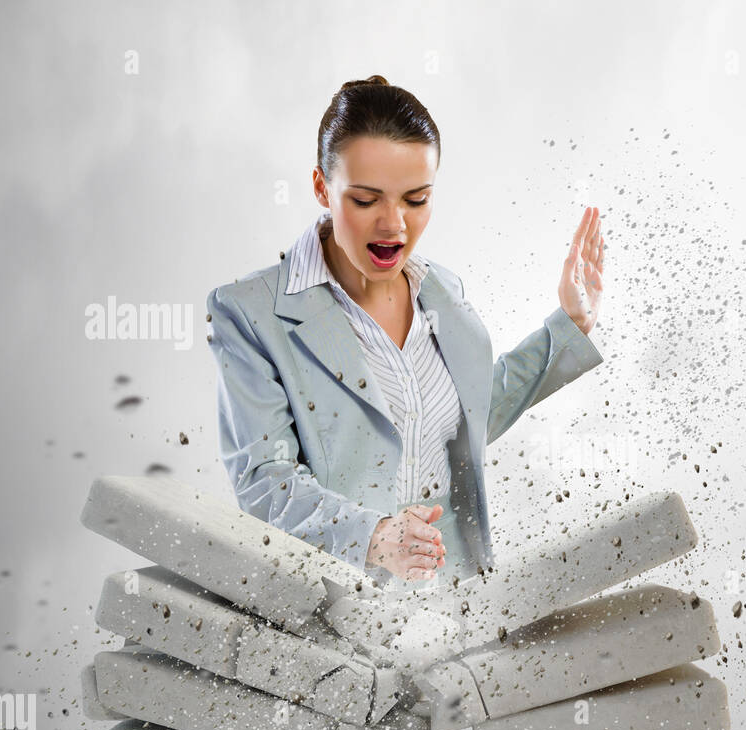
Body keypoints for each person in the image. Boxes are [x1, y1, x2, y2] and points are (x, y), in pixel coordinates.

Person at [205, 76, 606, 588]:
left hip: (462, 605)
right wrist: (372, 536)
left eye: (416, 199)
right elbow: (264, 480)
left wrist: (569, 325)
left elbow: (466, 417)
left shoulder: (440, 289)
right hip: (339, 619)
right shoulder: (250, 312)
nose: (393, 224)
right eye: (366, 200)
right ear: (321, 187)